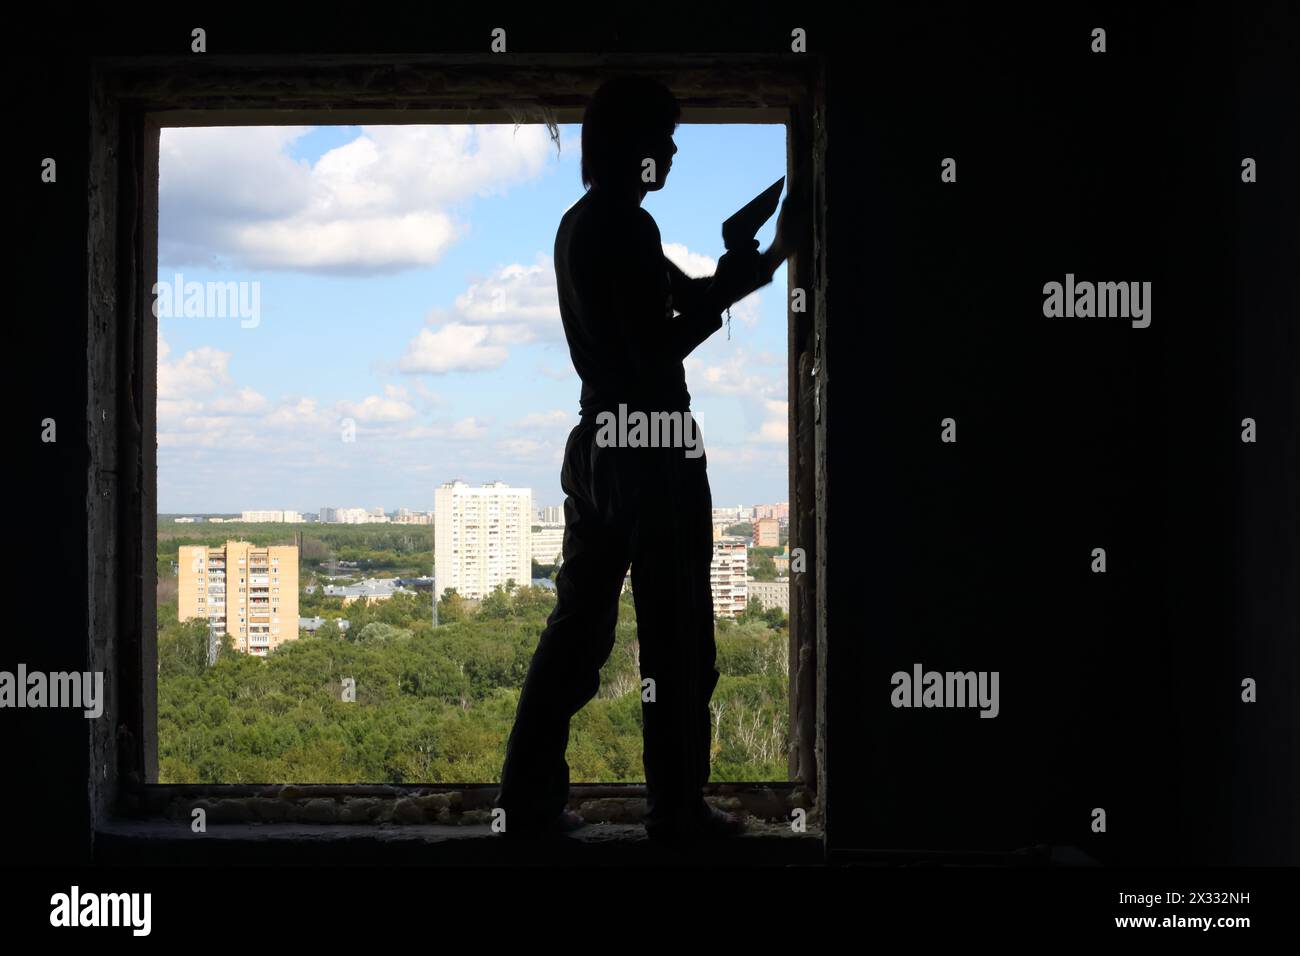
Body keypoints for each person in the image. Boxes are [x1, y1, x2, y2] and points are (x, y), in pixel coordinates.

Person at [494, 75, 801, 843]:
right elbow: (658, 344)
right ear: (630, 144)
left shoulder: (587, 223)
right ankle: (676, 808)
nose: (669, 151)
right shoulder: (627, 228)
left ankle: (527, 801)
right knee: (676, 633)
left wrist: (755, 262)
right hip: (652, 444)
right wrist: (766, 260)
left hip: (598, 440)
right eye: (662, 137)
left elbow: (685, 300)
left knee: (578, 627)